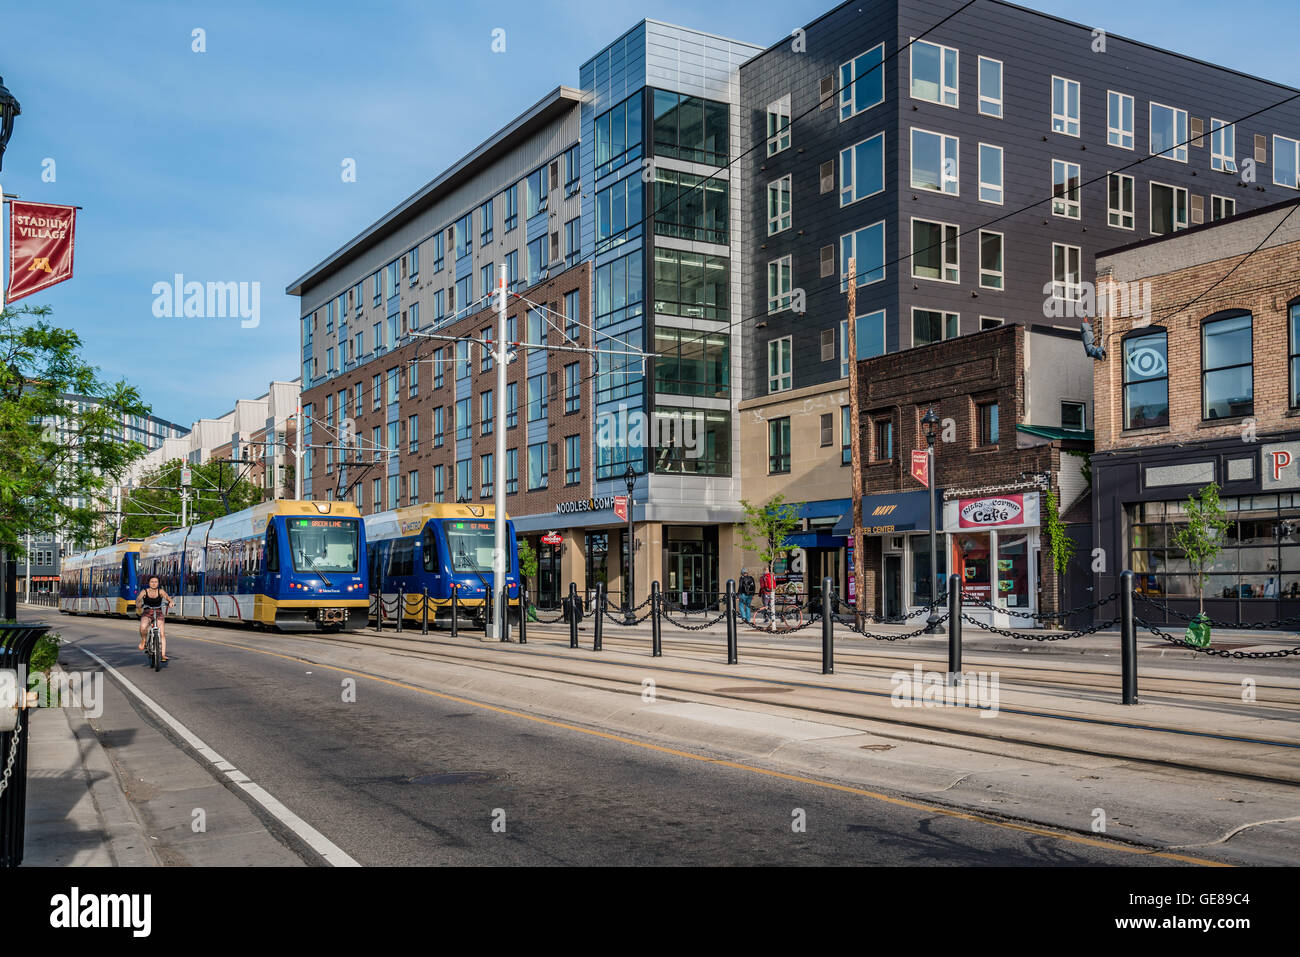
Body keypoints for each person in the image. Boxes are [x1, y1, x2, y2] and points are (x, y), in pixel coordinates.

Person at [137, 575, 175, 662]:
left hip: (158, 613)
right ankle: (143, 641)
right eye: (152, 582)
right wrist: (138, 604)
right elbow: (138, 599)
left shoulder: (160, 591)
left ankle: (163, 654)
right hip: (147, 613)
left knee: (162, 634)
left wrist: (171, 602)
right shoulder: (144, 592)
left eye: (156, 582)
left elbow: (167, 597)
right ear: (149, 583)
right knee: (143, 627)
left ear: (158, 583)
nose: (154, 584)